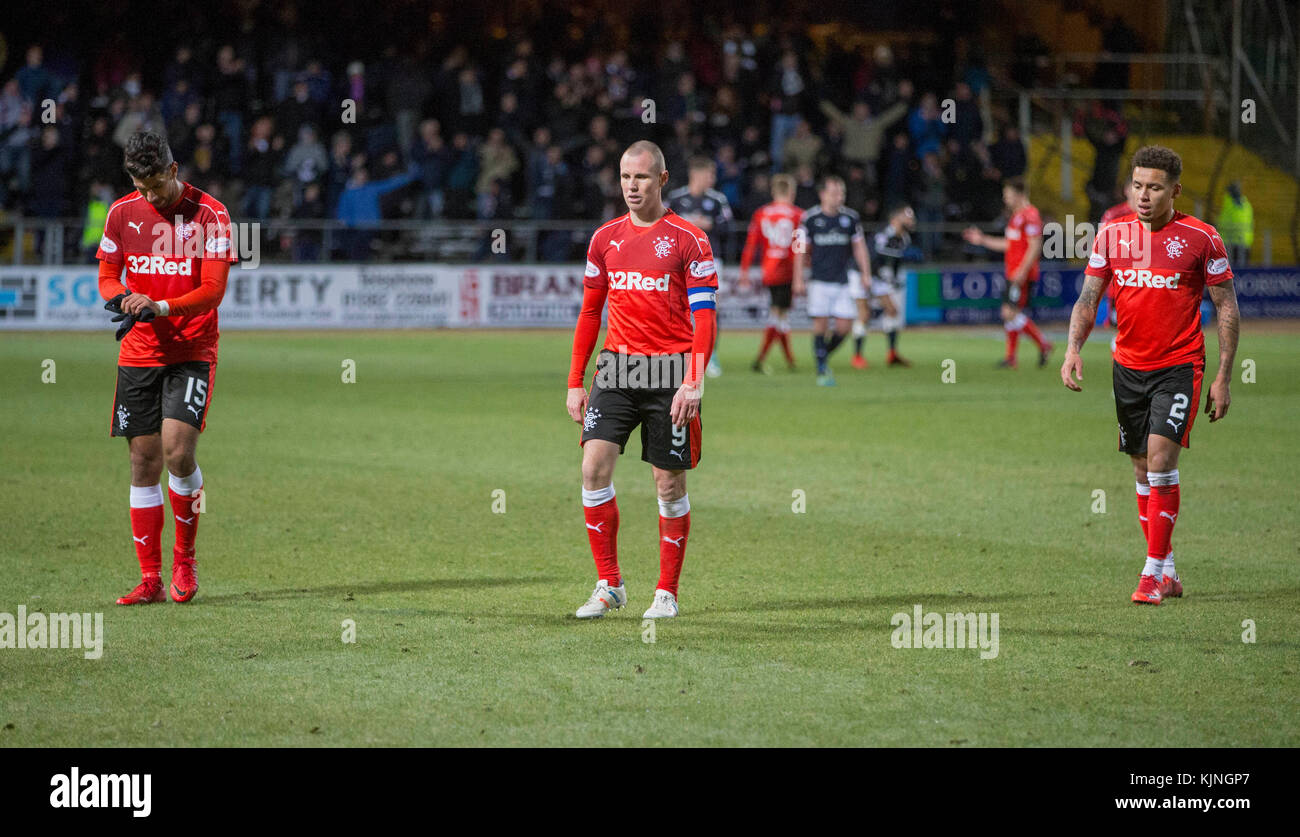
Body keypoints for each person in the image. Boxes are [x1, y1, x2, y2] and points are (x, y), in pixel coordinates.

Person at [1061, 145, 1240, 605]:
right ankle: (1169, 569)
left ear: (1175, 190)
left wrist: (1223, 377)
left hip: (1179, 366)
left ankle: (1150, 575)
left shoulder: (1202, 238)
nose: (1144, 195)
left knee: (1161, 461)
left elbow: (1226, 307)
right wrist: (1073, 349)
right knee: (1141, 467)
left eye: (1155, 187)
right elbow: (1088, 297)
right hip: (1127, 367)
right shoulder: (1112, 236)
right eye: (1138, 185)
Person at [565, 141, 718, 620]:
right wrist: (575, 379)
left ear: (662, 180)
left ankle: (666, 591)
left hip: (670, 372)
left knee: (668, 485)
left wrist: (693, 380)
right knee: (593, 468)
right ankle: (609, 584)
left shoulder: (688, 240)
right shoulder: (604, 239)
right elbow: (591, 311)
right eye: (626, 177)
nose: (632, 186)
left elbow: (706, 318)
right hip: (616, 368)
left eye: (642, 178)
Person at [96, 132, 237, 605]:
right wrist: (121, 299)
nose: (149, 196)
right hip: (138, 352)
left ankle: (186, 560)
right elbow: (106, 275)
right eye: (141, 187)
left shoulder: (210, 214)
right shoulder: (121, 213)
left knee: (178, 454)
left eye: (156, 185)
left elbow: (213, 291)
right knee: (142, 461)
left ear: (174, 171)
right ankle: (150, 578)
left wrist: (159, 305)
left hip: (192, 349)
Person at [792, 175, 876, 386]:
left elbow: (859, 247)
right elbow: (799, 250)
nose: (839, 197)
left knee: (844, 327)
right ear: (822, 194)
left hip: (842, 281)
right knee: (820, 324)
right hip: (819, 281)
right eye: (834, 193)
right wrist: (798, 278)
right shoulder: (809, 218)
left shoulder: (851, 218)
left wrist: (866, 273)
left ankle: (822, 355)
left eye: (842, 193)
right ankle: (822, 367)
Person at [963, 178, 1053, 368]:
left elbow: (1035, 245)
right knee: (1011, 313)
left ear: (1019, 195)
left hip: (1021, 273)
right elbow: (1009, 245)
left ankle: (1043, 344)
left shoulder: (1030, 215)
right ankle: (1012, 357)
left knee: (1009, 312)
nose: (1006, 199)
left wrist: (1022, 270)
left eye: (1008, 195)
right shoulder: (1016, 216)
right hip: (1012, 272)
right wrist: (982, 240)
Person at [665, 156, 732, 378]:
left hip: (709, 260)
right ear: (696, 174)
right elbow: (662, 224)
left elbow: (728, 226)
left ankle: (710, 356)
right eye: (709, 174)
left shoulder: (717, 199)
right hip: (679, 261)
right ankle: (677, 352)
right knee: (675, 307)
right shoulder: (676, 198)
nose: (712, 179)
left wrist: (708, 224)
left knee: (710, 309)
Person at [738, 173, 802, 372]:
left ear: (774, 191)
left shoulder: (761, 213)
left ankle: (790, 360)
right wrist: (800, 274)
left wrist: (744, 271)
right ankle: (760, 359)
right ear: (791, 191)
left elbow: (750, 245)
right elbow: (799, 246)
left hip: (769, 270)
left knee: (781, 316)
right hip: (787, 270)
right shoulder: (798, 214)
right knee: (777, 315)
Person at [864, 205, 916, 367]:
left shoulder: (904, 238)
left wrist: (892, 278)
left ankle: (892, 353)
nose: (911, 220)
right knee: (865, 314)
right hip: (866, 273)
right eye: (907, 217)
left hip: (881, 277)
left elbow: (896, 261)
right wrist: (875, 276)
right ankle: (859, 356)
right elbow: (872, 254)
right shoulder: (884, 233)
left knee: (892, 311)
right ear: (896, 218)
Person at [1217, 181, 1253, 267]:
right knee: (1244, 270)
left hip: (1229, 242)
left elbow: (1223, 221)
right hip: (1245, 242)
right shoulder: (1246, 204)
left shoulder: (1228, 203)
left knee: (1229, 271)